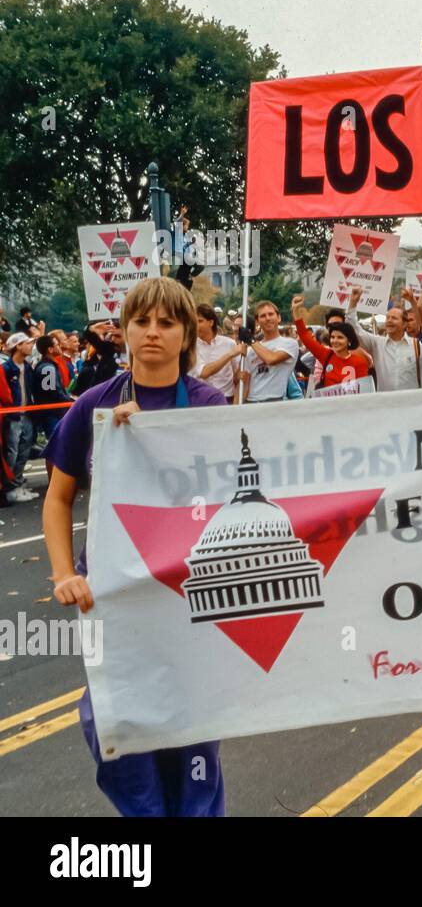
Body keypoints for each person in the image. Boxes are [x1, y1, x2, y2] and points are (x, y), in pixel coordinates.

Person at [43, 277, 228, 816]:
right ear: (122, 331)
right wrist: (62, 575)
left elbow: (225, 499)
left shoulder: (210, 405)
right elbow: (57, 500)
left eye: (167, 323)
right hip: (114, 597)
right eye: (141, 321)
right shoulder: (92, 408)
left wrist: (159, 443)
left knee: (192, 730)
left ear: (186, 333)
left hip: (188, 594)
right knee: (113, 724)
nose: (152, 333)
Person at [346, 287, 422, 391]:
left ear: (404, 324)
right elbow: (354, 329)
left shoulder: (416, 345)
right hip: (385, 405)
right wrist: (353, 302)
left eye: (394, 318)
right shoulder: (376, 344)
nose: (389, 321)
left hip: (412, 404)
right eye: (387, 317)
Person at [291, 296, 369, 391]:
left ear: (349, 341)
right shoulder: (326, 355)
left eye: (340, 337)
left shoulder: (360, 362)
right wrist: (296, 310)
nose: (335, 341)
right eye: (332, 337)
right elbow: (305, 336)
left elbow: (364, 391)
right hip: (328, 404)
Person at [236, 300, 299, 403]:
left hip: (274, 401)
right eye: (263, 316)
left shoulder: (290, 344)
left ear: (278, 318)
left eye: (271, 314)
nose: (268, 318)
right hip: (251, 403)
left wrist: (251, 340)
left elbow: (271, 359)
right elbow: (243, 381)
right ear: (257, 321)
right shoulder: (251, 350)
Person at [2, 333, 38, 504]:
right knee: (12, 452)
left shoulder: (28, 366)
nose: (31, 346)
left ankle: (17, 484)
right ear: (18, 346)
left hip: (28, 413)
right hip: (12, 416)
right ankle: (8, 488)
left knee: (25, 449)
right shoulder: (6, 369)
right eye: (28, 343)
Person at [192, 304, 241, 403]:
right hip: (202, 399)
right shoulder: (192, 346)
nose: (195, 325)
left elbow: (237, 373)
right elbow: (203, 373)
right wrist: (229, 355)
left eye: (200, 321)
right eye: (194, 322)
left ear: (211, 322)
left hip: (227, 397)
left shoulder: (229, 343)